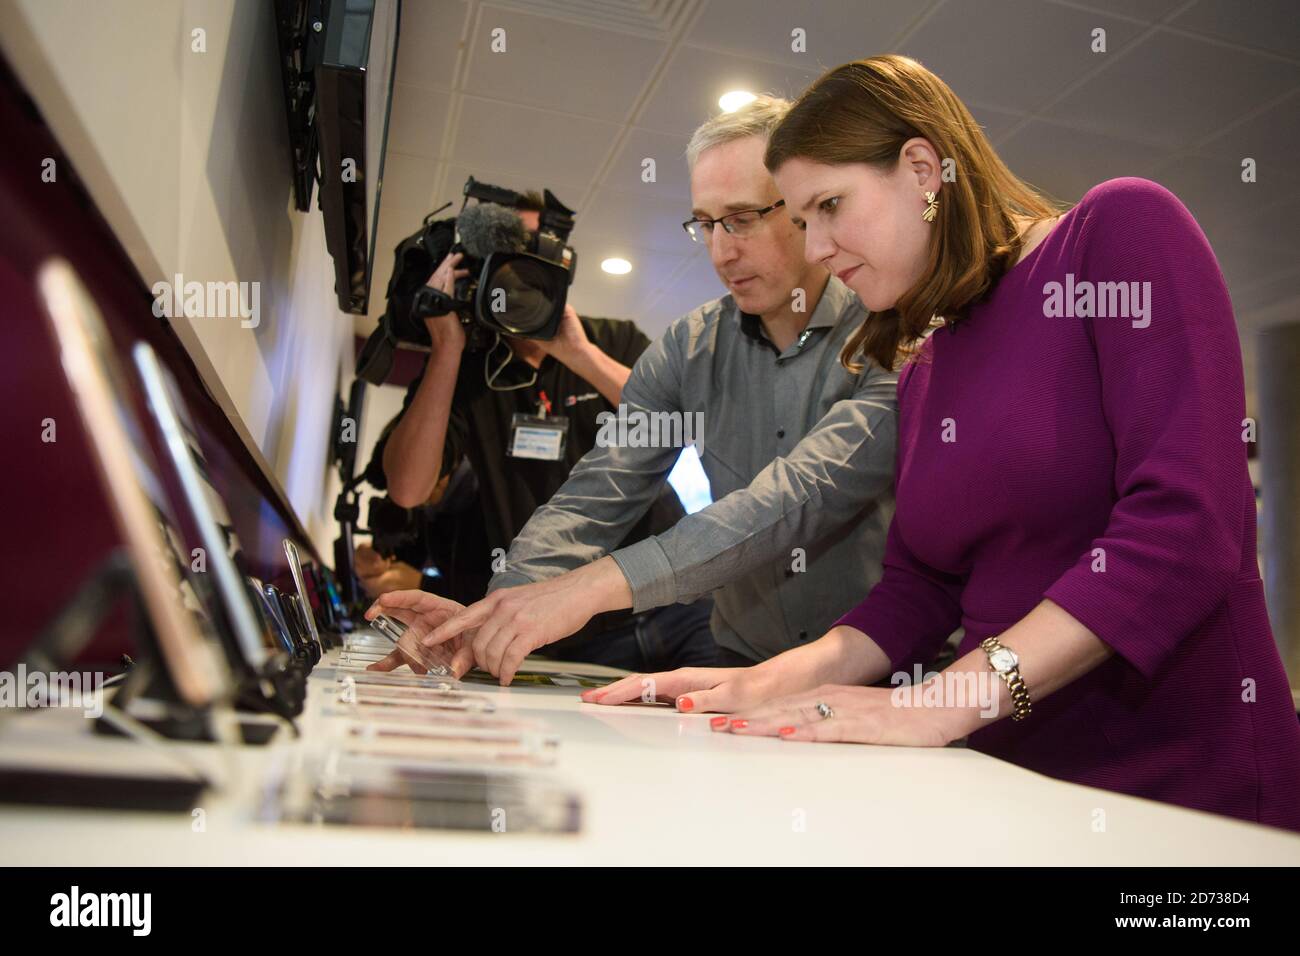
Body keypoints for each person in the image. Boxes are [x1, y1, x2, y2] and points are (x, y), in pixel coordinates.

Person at [585, 55, 1300, 832]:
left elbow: (1183, 528)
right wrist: (767, 681)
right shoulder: (926, 356)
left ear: (923, 168)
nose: (818, 247)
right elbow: (919, 587)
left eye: (830, 205)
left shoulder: (1117, 233)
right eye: (801, 220)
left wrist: (944, 699)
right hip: (1007, 786)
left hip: (1180, 793)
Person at [368, 96, 901, 686]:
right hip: (744, 661)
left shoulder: (889, 327)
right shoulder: (688, 349)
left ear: (804, 205)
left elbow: (801, 493)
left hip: (885, 668)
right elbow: (599, 491)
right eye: (706, 224)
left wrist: (589, 588)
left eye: (744, 218)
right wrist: (499, 610)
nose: (722, 252)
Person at [366, 193, 716, 674]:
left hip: (671, 604)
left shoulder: (611, 339)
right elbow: (407, 489)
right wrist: (447, 347)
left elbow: (686, 427)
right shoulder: (469, 372)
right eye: (506, 253)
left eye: (537, 250)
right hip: (561, 630)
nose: (523, 266)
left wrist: (578, 354)